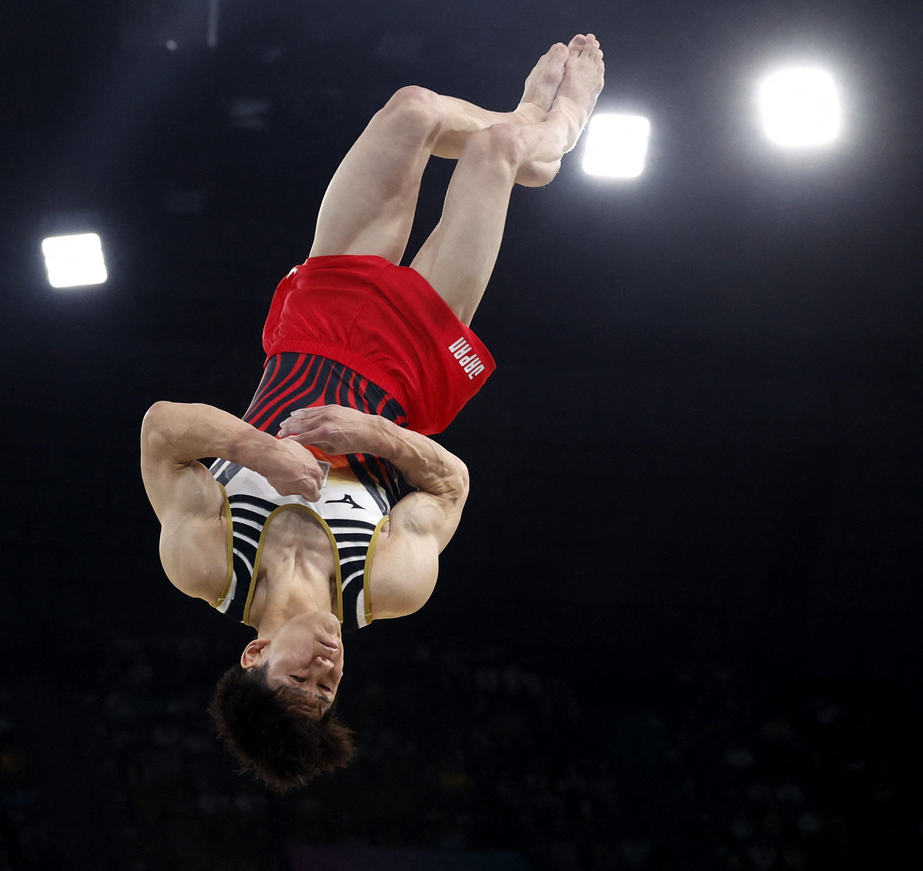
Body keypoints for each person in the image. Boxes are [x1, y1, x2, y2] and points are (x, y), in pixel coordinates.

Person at [139, 34, 605, 791]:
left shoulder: (206, 560)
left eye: (300, 682)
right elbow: (452, 485)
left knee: (412, 109)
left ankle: (533, 136)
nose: (324, 672)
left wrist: (257, 451)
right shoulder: (389, 584)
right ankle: (558, 129)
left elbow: (160, 430)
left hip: (314, 320)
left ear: (253, 657)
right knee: (491, 154)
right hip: (412, 363)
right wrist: (375, 434)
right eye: (327, 692)